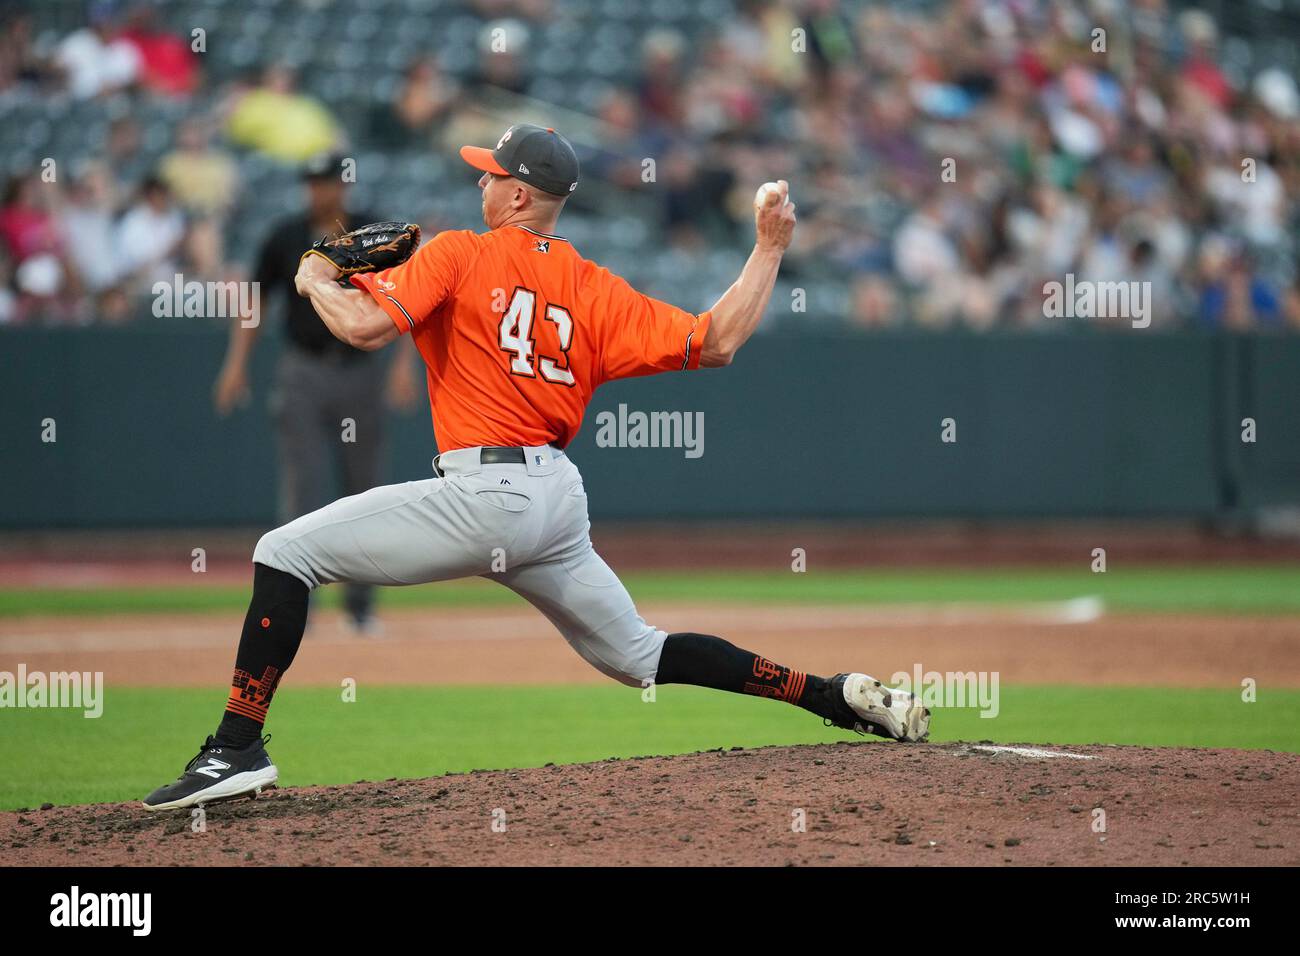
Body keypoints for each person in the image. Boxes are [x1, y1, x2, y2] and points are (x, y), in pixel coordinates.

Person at [143, 124, 929, 811]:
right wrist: (769, 248)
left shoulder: (456, 252)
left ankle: (236, 746)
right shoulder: (590, 285)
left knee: (284, 552)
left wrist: (315, 276)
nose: (479, 181)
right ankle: (828, 695)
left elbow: (360, 327)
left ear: (519, 196)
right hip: (555, 499)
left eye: (491, 173)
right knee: (640, 655)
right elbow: (716, 339)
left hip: (486, 494)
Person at [212, 152, 418, 635]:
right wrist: (236, 365)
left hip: (360, 370)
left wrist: (404, 368)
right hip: (303, 370)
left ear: (343, 184)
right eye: (313, 182)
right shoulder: (286, 236)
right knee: (301, 492)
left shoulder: (370, 233)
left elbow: (409, 295)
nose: (320, 191)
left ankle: (361, 611)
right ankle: (294, 612)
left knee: (365, 494)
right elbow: (255, 301)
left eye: (327, 181)